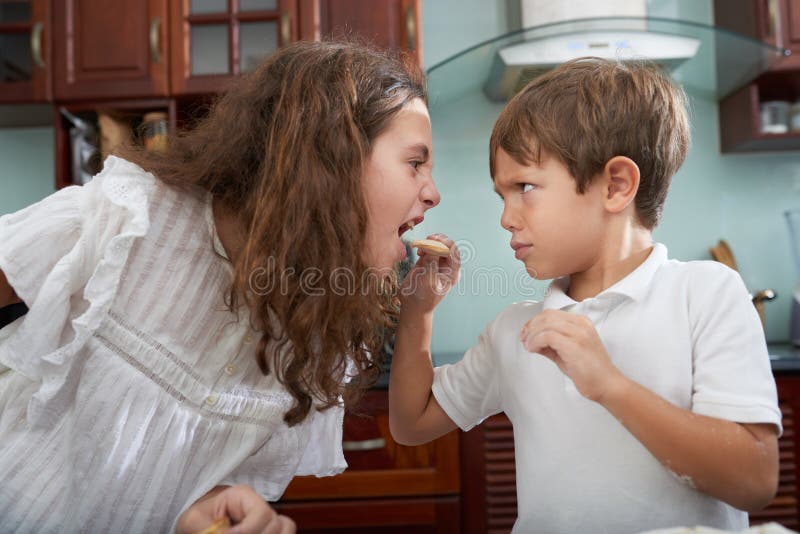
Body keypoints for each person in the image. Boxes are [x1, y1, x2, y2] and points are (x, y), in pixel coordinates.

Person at [0, 40, 439, 533]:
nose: (432, 192)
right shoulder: (132, 219)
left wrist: (215, 508)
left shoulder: (319, 339)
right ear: (330, 157)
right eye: (415, 163)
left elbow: (178, 478)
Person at [389, 57, 781, 533]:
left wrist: (609, 385)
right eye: (502, 195)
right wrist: (418, 312)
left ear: (616, 186)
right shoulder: (514, 330)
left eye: (525, 187)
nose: (506, 218)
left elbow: (755, 479)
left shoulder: (706, 293)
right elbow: (411, 425)